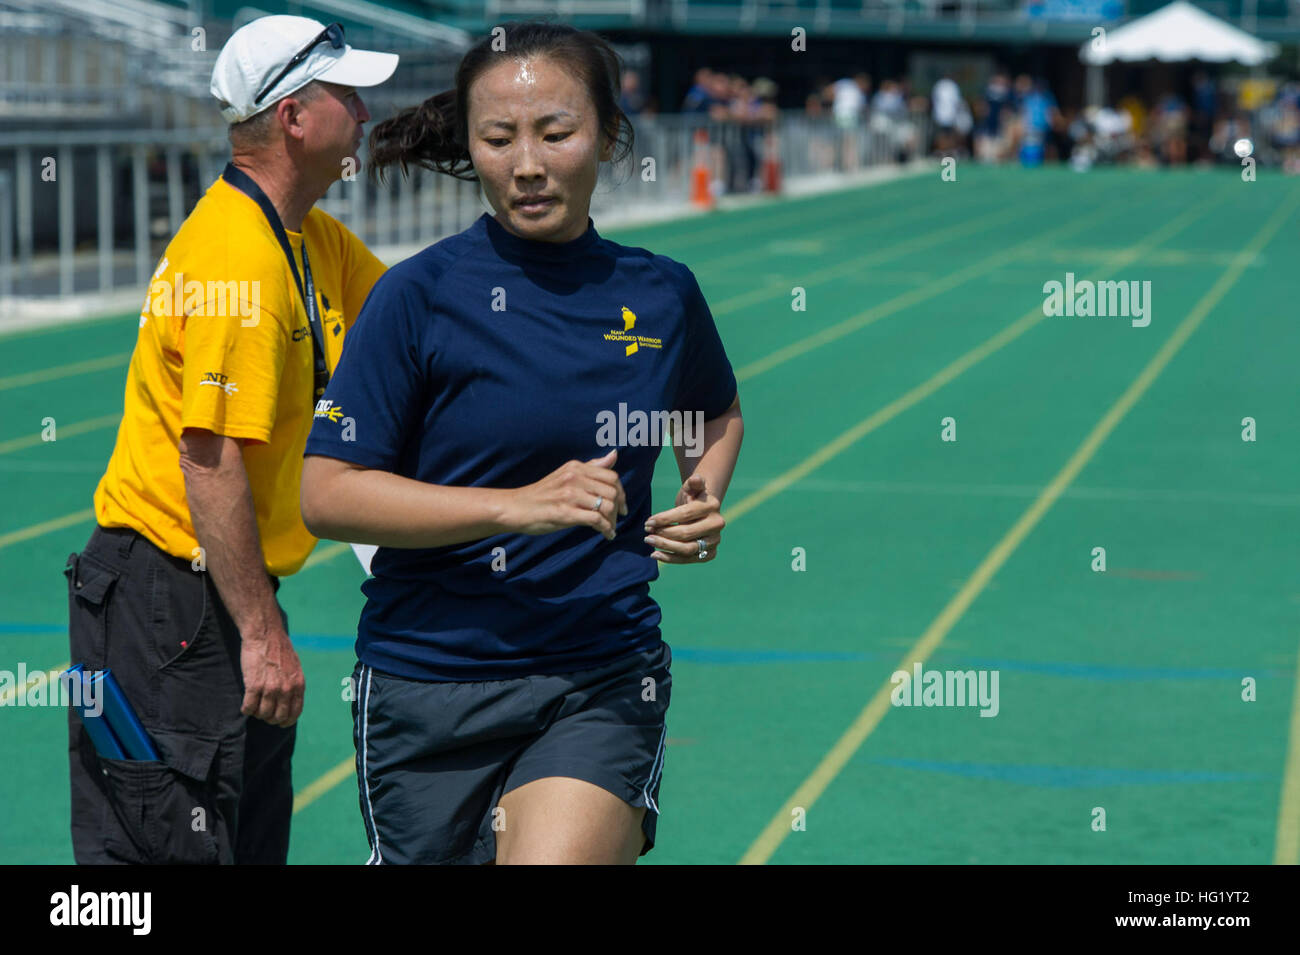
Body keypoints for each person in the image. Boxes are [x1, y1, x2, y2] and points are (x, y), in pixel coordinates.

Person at [300, 19, 745, 865]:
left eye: (556, 133)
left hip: (598, 671)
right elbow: (327, 494)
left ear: (609, 136)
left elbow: (713, 413)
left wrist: (703, 492)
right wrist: (516, 506)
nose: (528, 164)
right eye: (498, 138)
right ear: (470, 146)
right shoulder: (415, 297)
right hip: (426, 682)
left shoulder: (662, 294)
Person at [64, 15, 396, 864]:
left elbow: (413, 318)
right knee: (167, 848)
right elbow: (206, 459)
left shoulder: (302, 234)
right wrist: (260, 631)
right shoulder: (238, 258)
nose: (365, 112)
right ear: (291, 116)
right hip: (171, 593)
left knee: (236, 835)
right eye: (347, 94)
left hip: (211, 584)